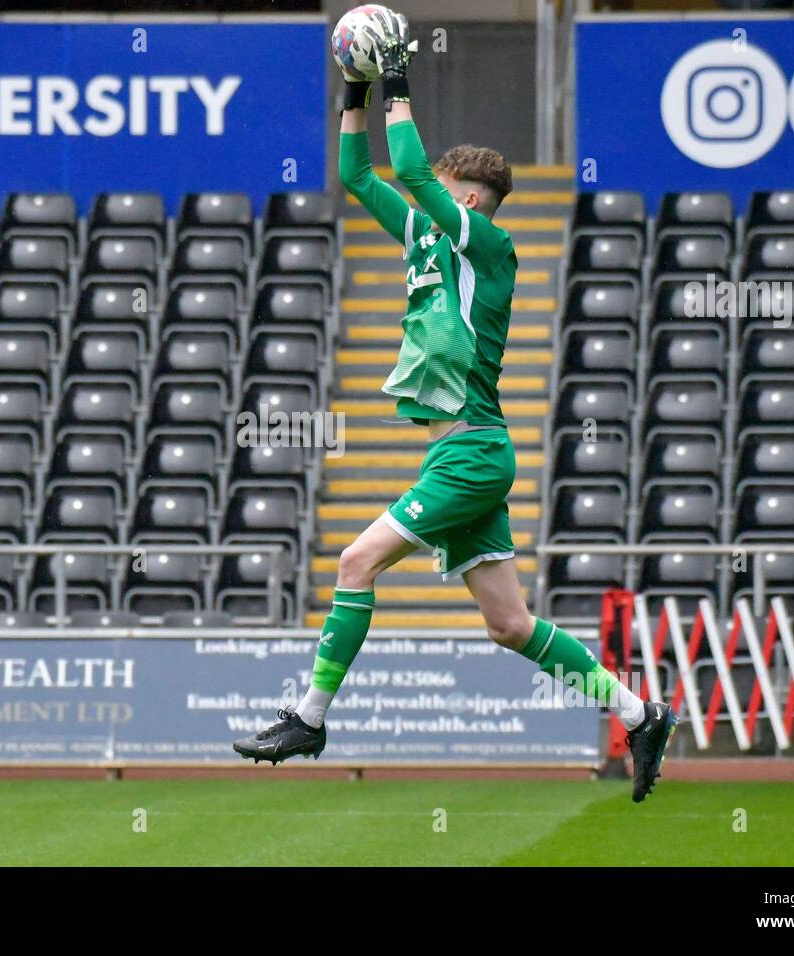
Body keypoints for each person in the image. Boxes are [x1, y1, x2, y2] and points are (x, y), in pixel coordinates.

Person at [234, 9, 676, 801]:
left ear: (472, 197)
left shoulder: (486, 243)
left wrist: (396, 69)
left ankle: (309, 715)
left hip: (472, 450)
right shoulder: (427, 237)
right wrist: (356, 92)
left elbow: (406, 170)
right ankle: (642, 712)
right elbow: (363, 176)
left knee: (356, 560)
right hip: (461, 449)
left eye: (448, 186)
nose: (435, 192)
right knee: (509, 625)